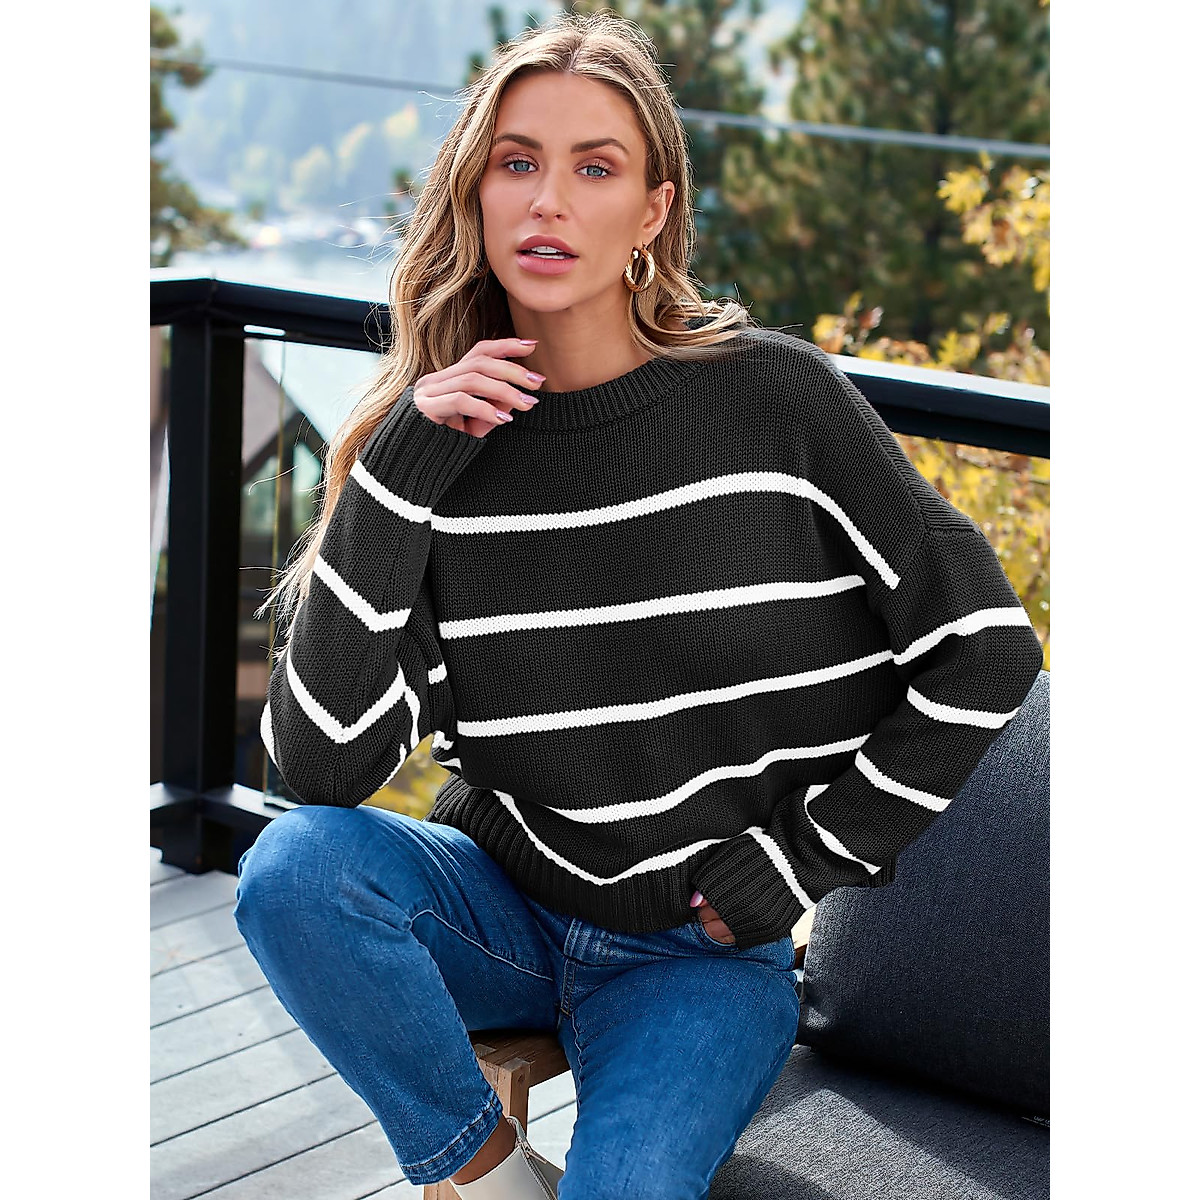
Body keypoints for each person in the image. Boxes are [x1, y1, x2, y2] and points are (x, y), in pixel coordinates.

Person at [233, 11, 1045, 1200]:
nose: (547, 202)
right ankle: (487, 1180)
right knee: (293, 871)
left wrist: (805, 857)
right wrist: (392, 478)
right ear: (475, 194)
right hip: (503, 914)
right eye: (517, 162)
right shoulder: (436, 454)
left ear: (654, 212)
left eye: (595, 168)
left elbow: (985, 648)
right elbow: (317, 774)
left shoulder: (776, 404)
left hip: (700, 962)